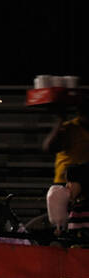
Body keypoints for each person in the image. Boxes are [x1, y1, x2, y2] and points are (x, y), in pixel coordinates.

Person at [44, 99, 89, 231]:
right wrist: (60, 120)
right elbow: (49, 147)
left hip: (85, 186)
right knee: (62, 225)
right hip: (65, 183)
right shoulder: (69, 128)